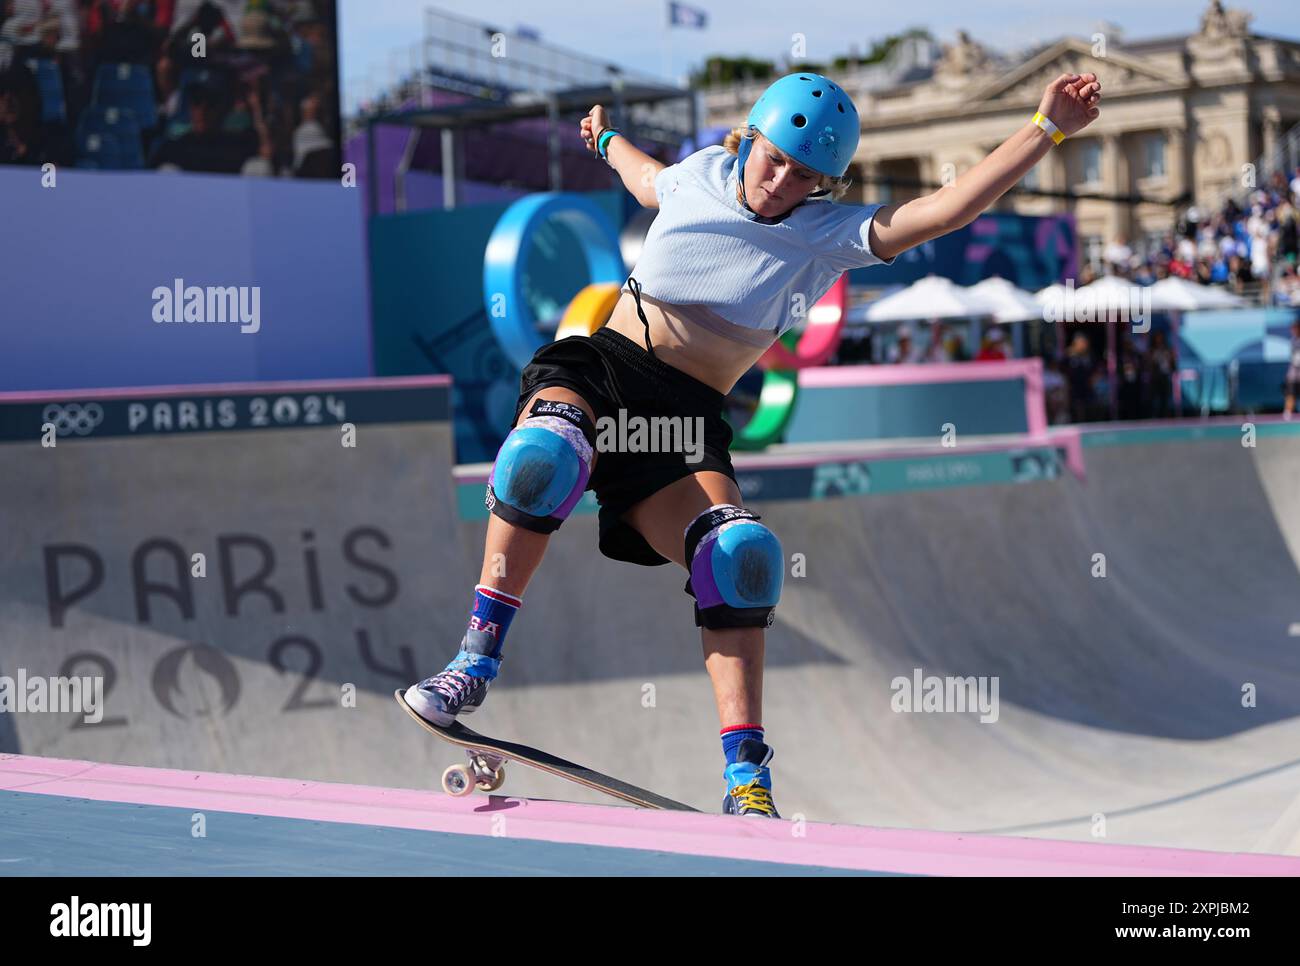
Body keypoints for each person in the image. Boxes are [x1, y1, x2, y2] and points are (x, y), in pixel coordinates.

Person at [402, 70, 1103, 816]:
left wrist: (1046, 127)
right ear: (750, 140)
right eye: (773, 158)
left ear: (825, 184)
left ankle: (746, 776)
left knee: (739, 560)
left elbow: (945, 210)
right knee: (542, 457)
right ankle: (474, 662)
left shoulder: (827, 237)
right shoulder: (701, 174)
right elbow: (647, 181)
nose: (780, 181)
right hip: (600, 370)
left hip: (683, 422)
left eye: (804, 175)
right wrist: (605, 139)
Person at [1285, 320, 1300, 421]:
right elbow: (1294, 359)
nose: (1293, 331)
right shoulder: (1293, 341)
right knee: (1291, 394)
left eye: (1295, 328)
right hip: (1294, 374)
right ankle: (1287, 416)